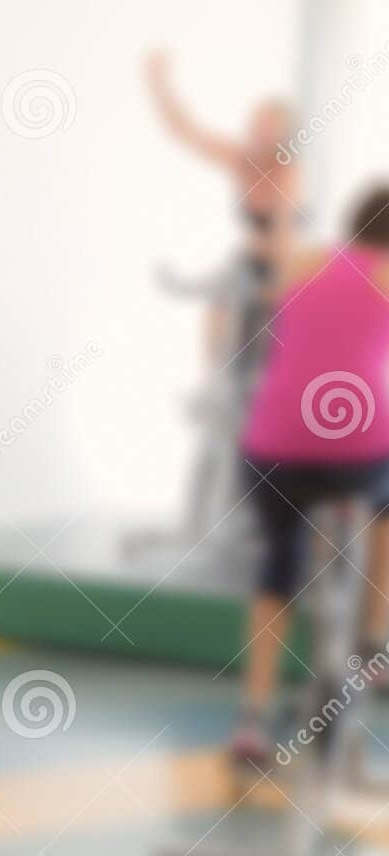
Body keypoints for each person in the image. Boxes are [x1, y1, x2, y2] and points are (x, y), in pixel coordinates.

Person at [232, 186, 389, 765]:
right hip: (358, 448)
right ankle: (374, 639)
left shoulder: (303, 262)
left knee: (279, 559)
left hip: (272, 445)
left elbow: (266, 313)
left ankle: (252, 720)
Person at [146, 51, 297, 372]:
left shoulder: (287, 171)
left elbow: (283, 234)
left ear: (282, 135)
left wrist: (277, 287)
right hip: (250, 268)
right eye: (259, 123)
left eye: (271, 127)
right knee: (219, 312)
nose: (262, 132)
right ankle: (215, 381)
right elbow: (187, 132)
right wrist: (159, 82)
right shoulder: (241, 158)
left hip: (280, 272)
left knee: (258, 348)